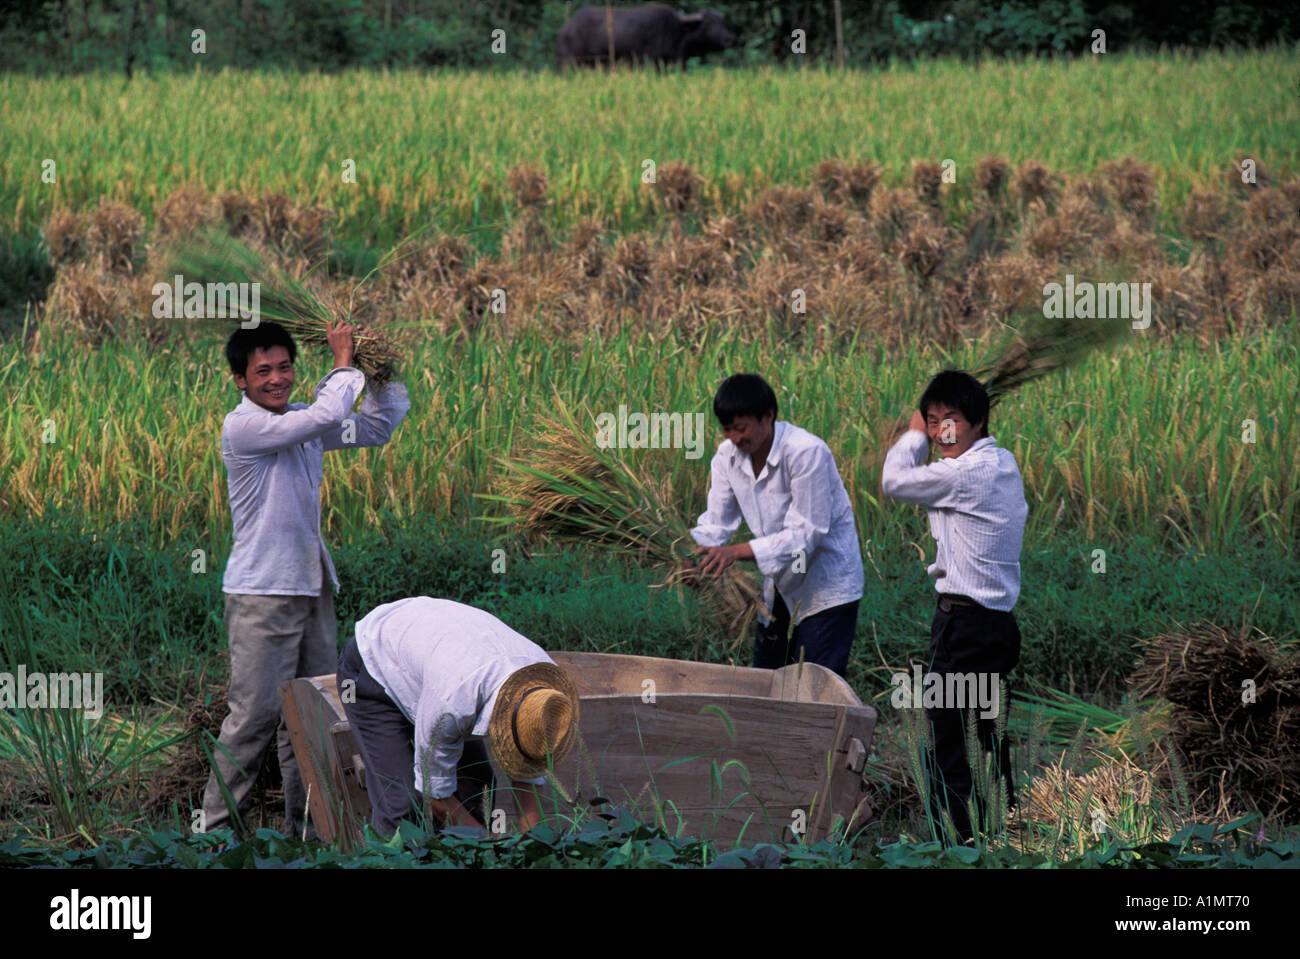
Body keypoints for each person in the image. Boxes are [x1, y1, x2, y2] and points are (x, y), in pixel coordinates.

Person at [200, 319, 411, 838]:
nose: (277, 378)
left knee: (311, 716)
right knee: (253, 719)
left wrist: (377, 372)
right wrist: (344, 365)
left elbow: (376, 427)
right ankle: (211, 836)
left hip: (312, 587)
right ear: (240, 381)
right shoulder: (245, 427)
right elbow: (329, 411)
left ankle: (309, 835)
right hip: (263, 595)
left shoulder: (302, 422)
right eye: (263, 371)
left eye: (285, 367)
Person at [880, 369, 1028, 844]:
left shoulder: (965, 472)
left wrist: (912, 433)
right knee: (985, 740)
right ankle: (1002, 835)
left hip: (964, 626)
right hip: (994, 627)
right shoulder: (1000, 462)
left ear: (980, 421)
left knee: (951, 745)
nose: (942, 431)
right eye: (933, 420)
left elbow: (894, 482)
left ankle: (957, 846)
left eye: (952, 420)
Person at [335, 597, 580, 837]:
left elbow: (529, 776)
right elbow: (434, 794)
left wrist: (534, 846)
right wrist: (486, 846)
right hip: (374, 665)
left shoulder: (545, 691)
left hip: (434, 655)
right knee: (403, 805)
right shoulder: (454, 701)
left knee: (475, 786)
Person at [690, 373, 864, 677]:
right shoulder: (727, 457)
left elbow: (805, 533)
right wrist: (694, 556)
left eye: (741, 428)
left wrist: (735, 552)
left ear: (768, 416)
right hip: (781, 581)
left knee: (815, 686)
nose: (734, 438)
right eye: (727, 429)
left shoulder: (806, 452)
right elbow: (716, 522)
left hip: (824, 583)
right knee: (768, 683)